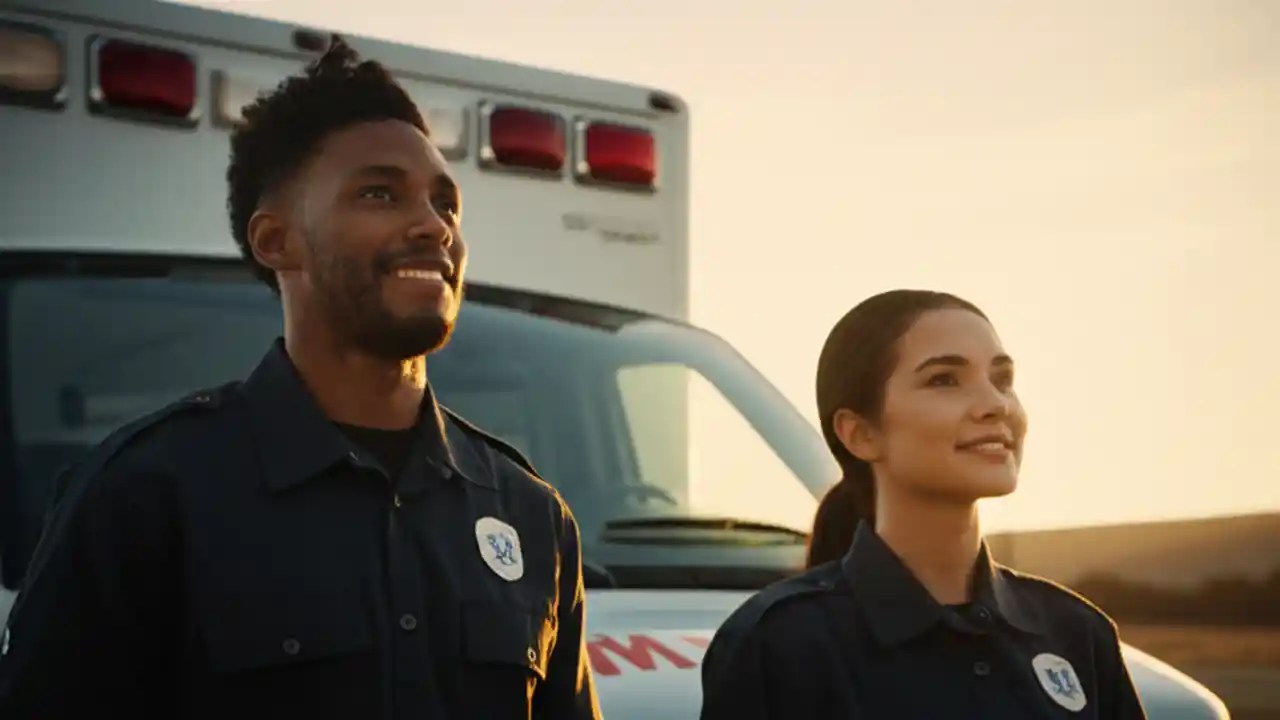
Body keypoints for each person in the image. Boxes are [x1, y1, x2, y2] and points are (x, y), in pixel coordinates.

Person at [0, 38, 601, 719]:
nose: (434, 227)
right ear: (274, 241)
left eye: (446, 204)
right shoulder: (142, 497)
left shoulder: (531, 515)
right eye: (379, 193)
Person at [700, 289, 1147, 719]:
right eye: (944, 380)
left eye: (1002, 379)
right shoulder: (779, 644)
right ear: (860, 434)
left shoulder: (1078, 634)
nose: (995, 403)